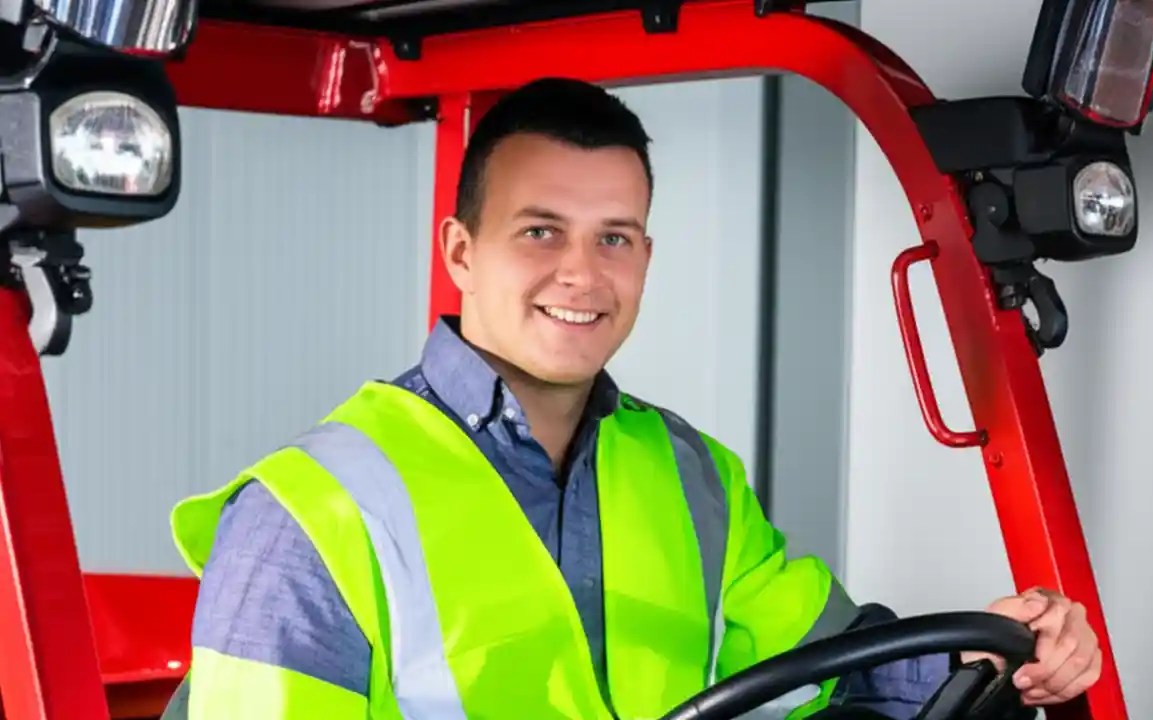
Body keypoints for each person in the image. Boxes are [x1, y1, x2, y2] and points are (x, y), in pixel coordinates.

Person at [167, 78, 1103, 719]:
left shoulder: (688, 474)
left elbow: (825, 667)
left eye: (615, 237)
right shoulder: (309, 517)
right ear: (460, 254)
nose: (581, 273)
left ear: (646, 258)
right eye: (541, 231)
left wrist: (999, 655)